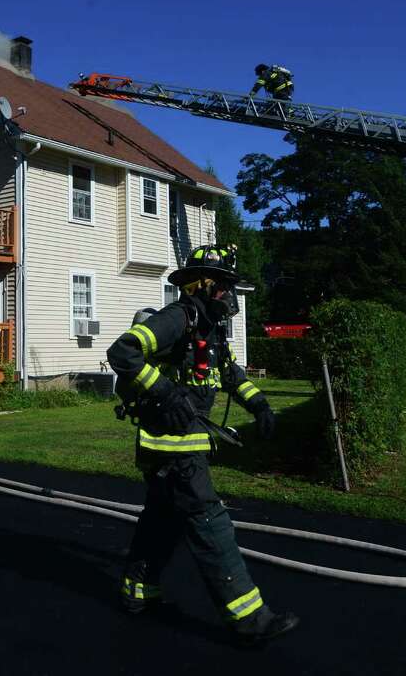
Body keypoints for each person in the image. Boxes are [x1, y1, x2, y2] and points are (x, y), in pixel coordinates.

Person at [107, 245, 300, 647]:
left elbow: (228, 375)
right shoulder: (179, 318)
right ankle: (250, 618)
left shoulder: (210, 331)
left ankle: (138, 593)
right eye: (225, 287)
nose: (230, 298)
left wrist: (259, 403)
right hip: (170, 446)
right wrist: (165, 392)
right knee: (210, 522)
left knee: (162, 521)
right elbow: (122, 352)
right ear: (205, 285)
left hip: (179, 446)